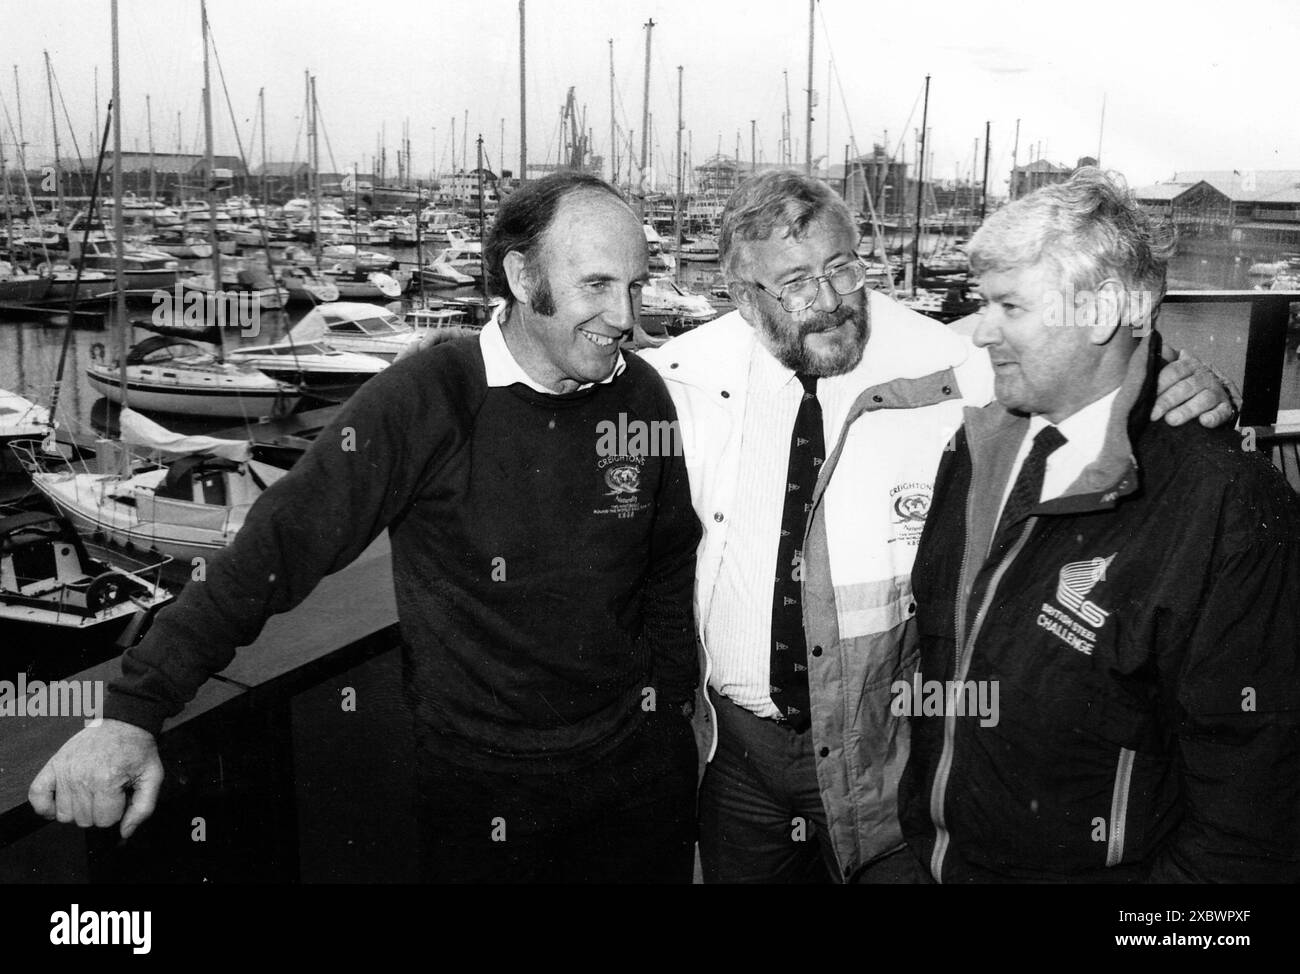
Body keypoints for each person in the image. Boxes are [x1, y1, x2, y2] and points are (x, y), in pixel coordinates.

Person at [29, 172, 703, 884]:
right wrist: (133, 710)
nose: (624, 317)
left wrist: (673, 707)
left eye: (635, 286)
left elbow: (666, 560)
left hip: (637, 776)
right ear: (519, 272)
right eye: (597, 285)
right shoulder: (427, 398)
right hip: (486, 792)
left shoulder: (639, 392)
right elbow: (276, 548)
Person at [638, 169, 1236, 883]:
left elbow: (1085, 373)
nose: (830, 301)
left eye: (842, 267)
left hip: (890, 759)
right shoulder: (680, 382)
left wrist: (1177, 379)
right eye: (795, 282)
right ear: (741, 295)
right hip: (738, 763)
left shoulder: (955, 364)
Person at [900, 168, 1300, 882]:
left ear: (1104, 308)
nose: (980, 330)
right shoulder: (974, 447)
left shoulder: (1230, 507)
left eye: (1009, 307)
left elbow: (1252, 812)